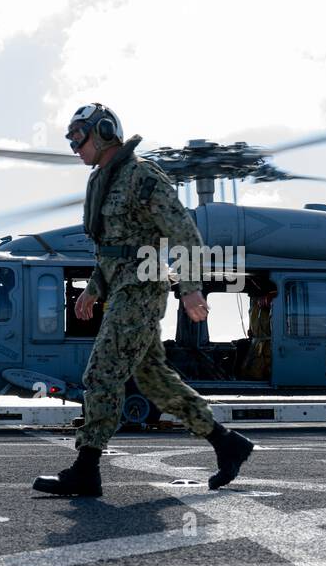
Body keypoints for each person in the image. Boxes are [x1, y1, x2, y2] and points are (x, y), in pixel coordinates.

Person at [32, 103, 255, 497]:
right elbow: (112, 249)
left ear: (103, 132)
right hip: (120, 288)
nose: (73, 146)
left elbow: (185, 234)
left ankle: (86, 469)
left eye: (78, 136)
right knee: (153, 379)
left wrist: (190, 288)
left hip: (141, 290)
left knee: (102, 374)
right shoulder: (101, 181)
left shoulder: (142, 178)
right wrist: (93, 288)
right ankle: (227, 443)